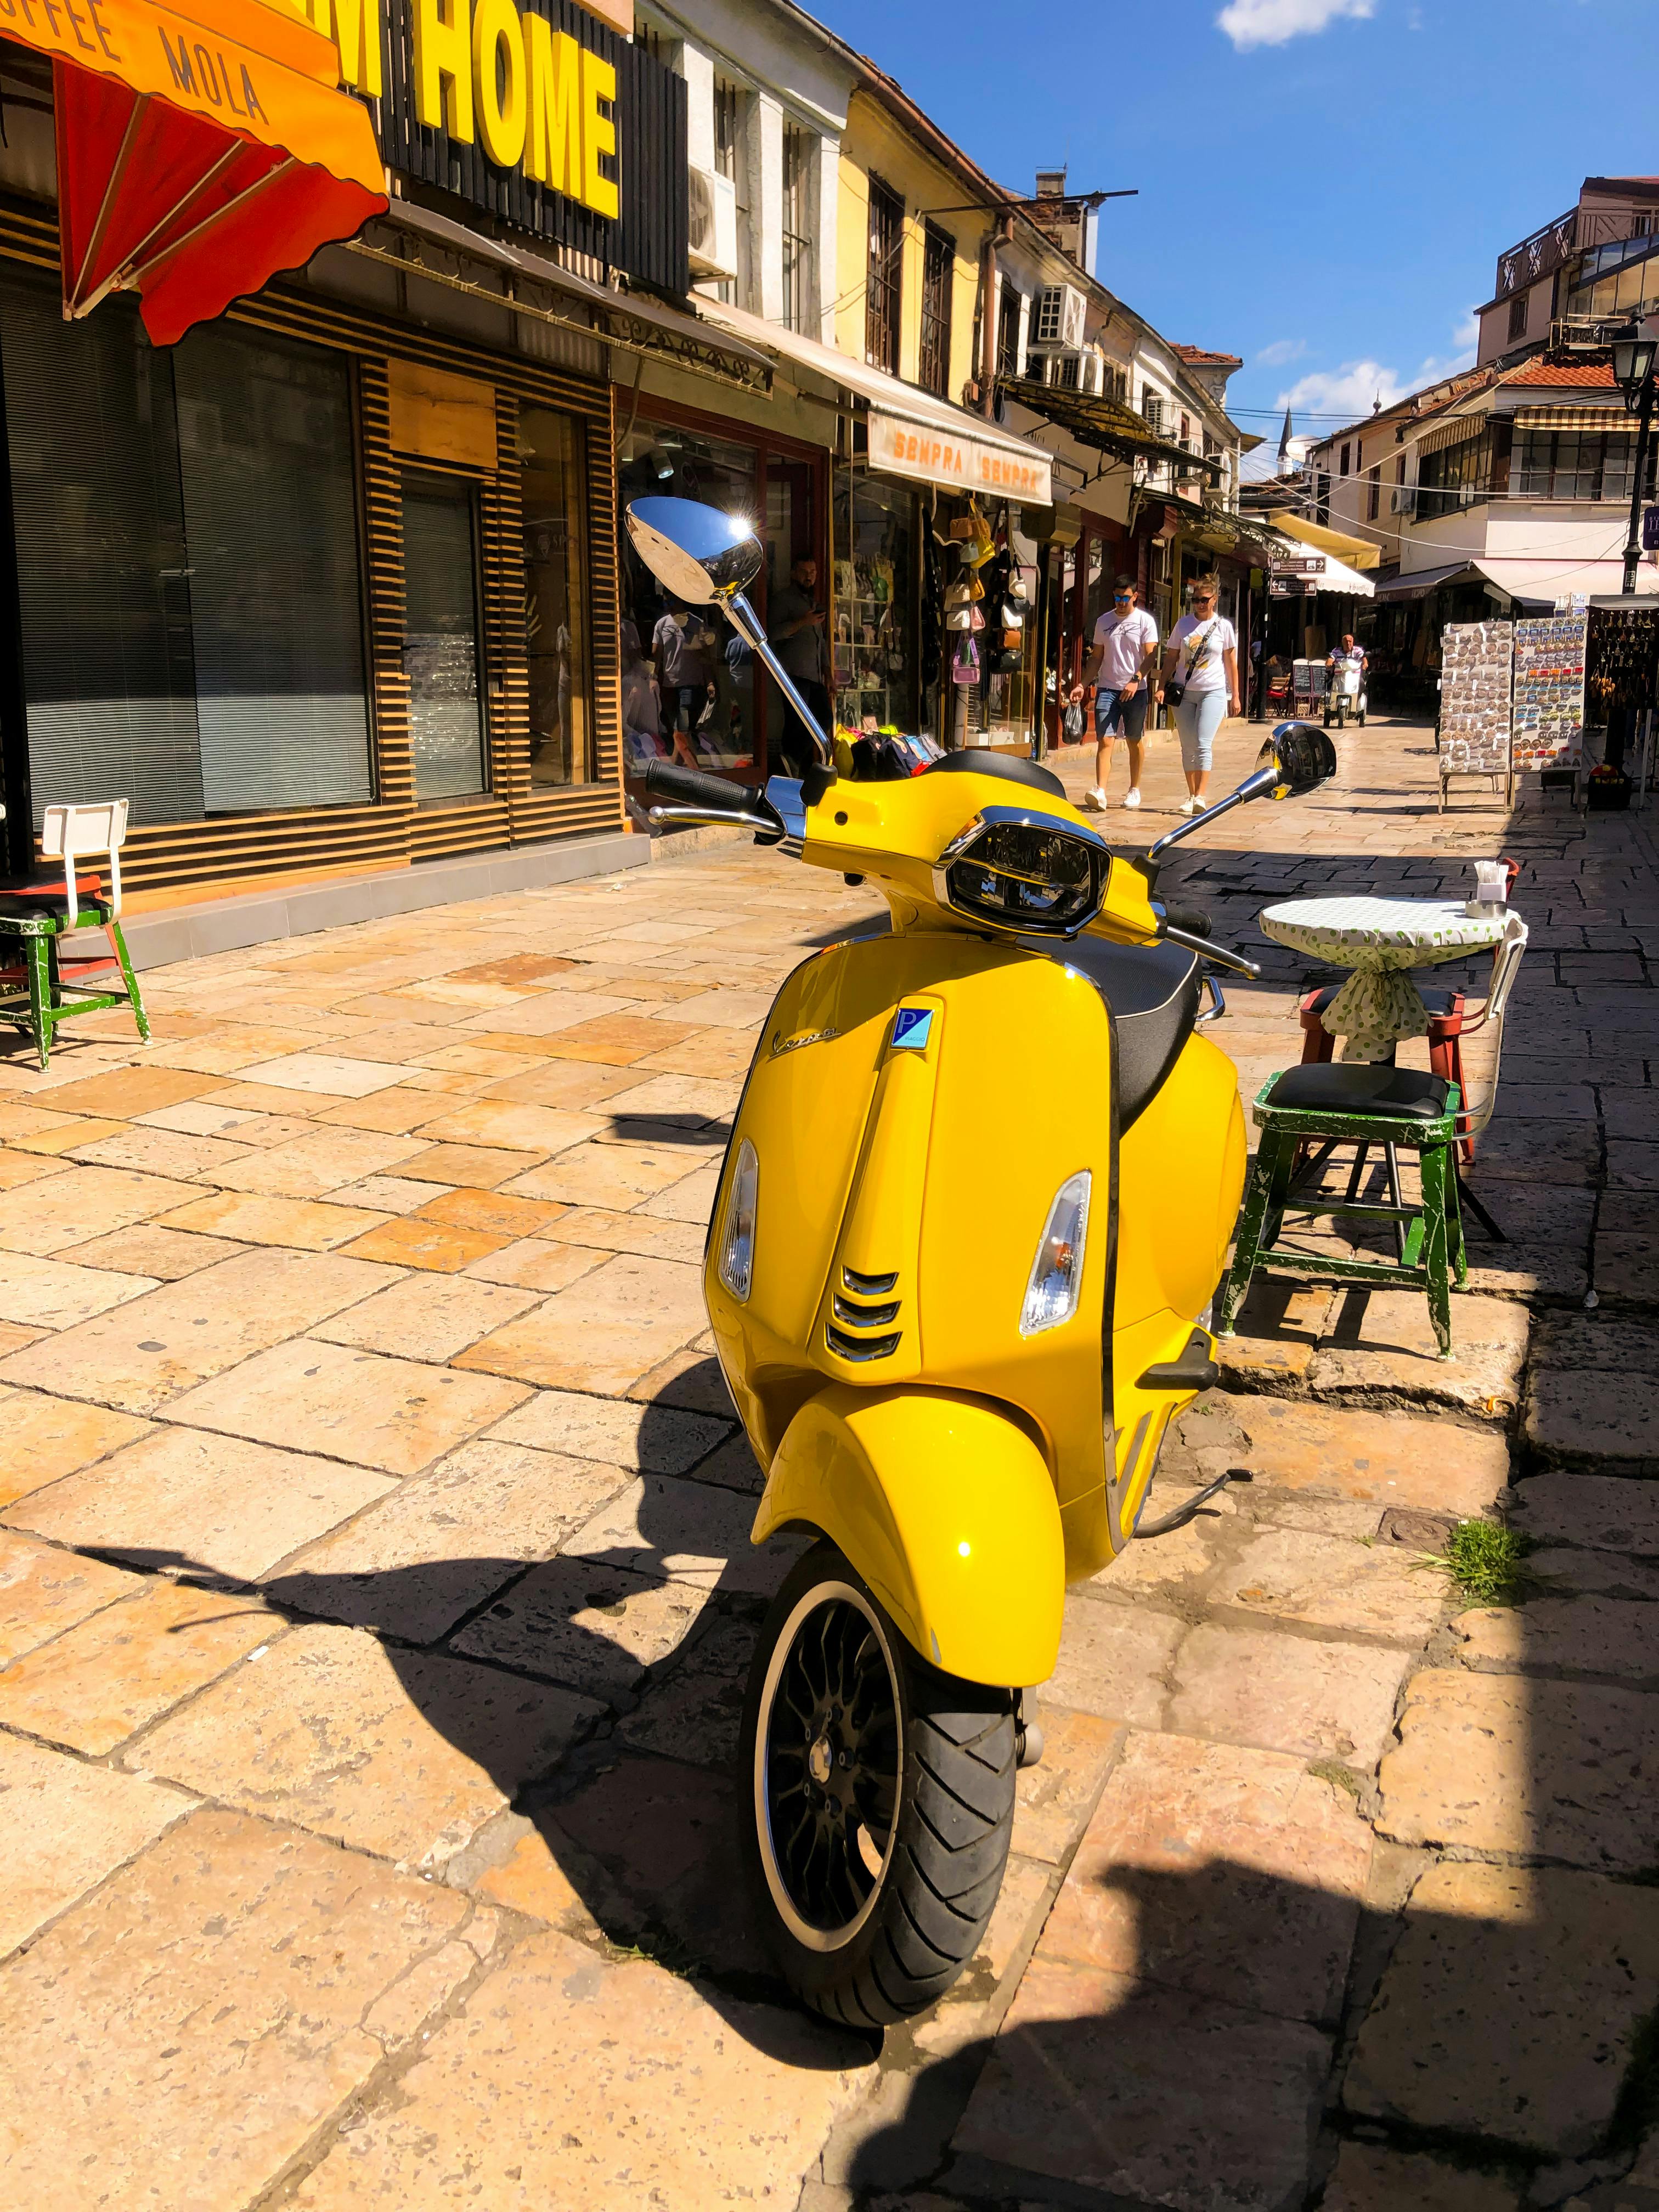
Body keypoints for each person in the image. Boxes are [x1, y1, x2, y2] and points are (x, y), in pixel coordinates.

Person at [1069, 577, 1159, 811]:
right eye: (1117, 598)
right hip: (1108, 688)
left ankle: (1134, 789)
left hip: (1136, 691)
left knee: (1134, 739)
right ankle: (1100, 790)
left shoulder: (1145, 622)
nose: (1120, 603)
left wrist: (1136, 679)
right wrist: (1082, 684)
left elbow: (1151, 656)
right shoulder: (1103, 621)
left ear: (1135, 597)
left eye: (1125, 598)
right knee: (1105, 740)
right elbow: (1097, 657)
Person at [1158, 577, 1239, 815]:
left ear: (1214, 600)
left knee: (1203, 743)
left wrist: (1235, 695)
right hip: (1183, 692)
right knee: (1188, 745)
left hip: (1212, 691)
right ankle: (1192, 794)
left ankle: (1201, 796)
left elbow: (1231, 662)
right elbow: (1171, 657)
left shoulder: (1224, 626)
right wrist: (1162, 685)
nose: (1200, 605)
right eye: (1195, 600)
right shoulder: (1183, 625)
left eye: (1204, 600)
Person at [768, 555, 831, 775]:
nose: (809, 577)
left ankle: (792, 760)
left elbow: (820, 641)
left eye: (812, 573)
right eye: (804, 572)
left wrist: (828, 671)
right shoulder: (783, 600)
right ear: (794, 574)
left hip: (814, 675)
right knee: (796, 723)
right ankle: (788, 770)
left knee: (823, 718)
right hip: (792, 673)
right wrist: (803, 622)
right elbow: (773, 634)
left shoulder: (813, 602)